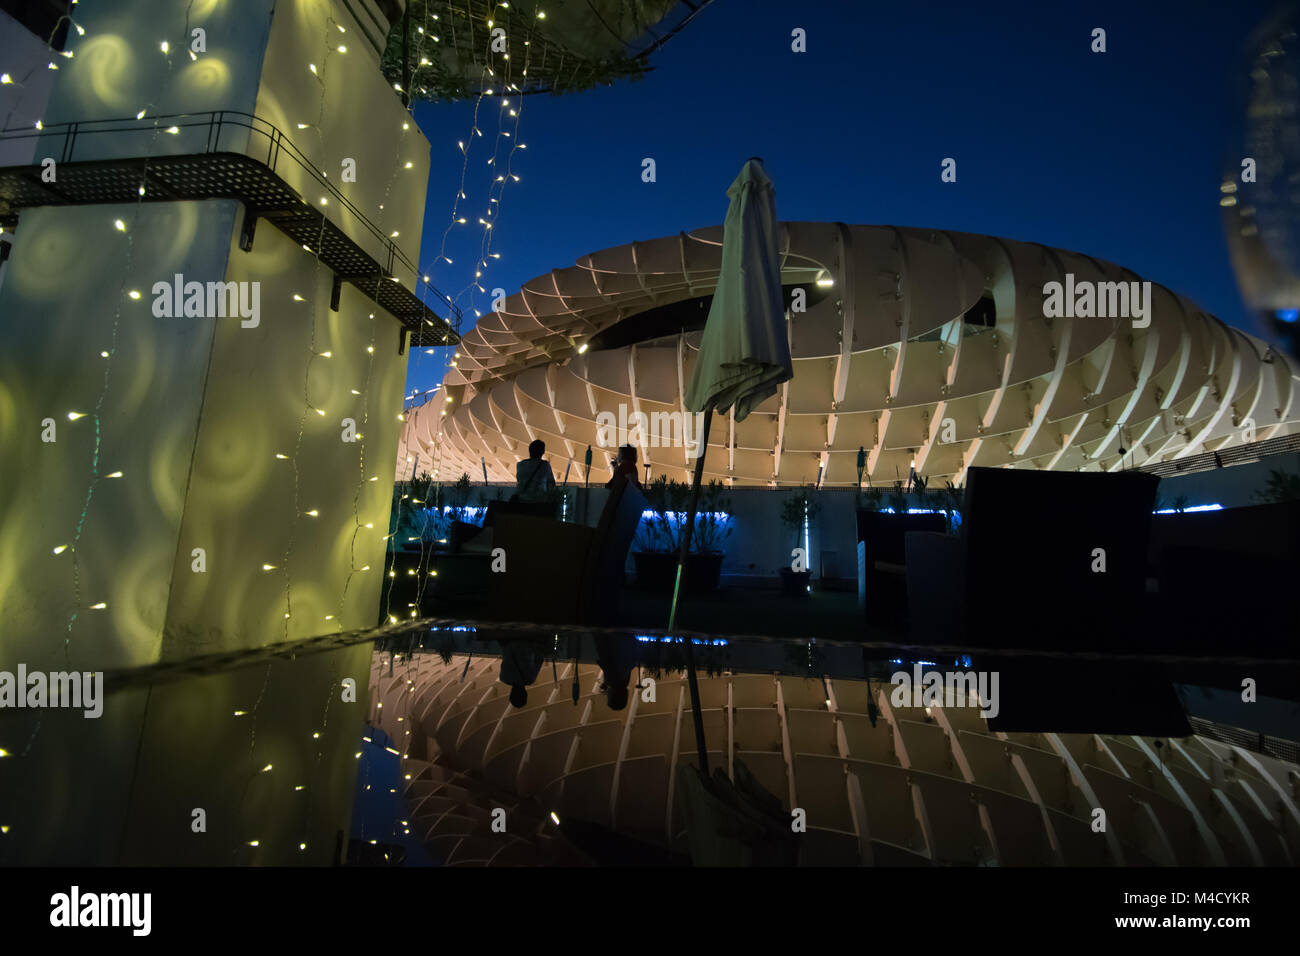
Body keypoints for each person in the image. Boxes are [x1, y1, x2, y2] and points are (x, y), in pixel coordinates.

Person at [515, 439, 555, 503]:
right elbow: (551, 484)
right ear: (542, 452)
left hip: (521, 500)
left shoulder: (520, 465)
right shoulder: (545, 465)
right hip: (538, 501)